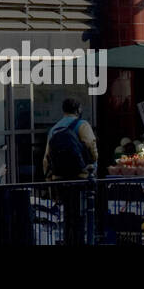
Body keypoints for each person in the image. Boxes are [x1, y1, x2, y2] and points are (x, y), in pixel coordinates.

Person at [44, 98, 97, 245]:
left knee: (67, 216)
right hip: (79, 178)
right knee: (80, 216)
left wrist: (50, 183)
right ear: (78, 110)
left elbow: (46, 159)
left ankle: (68, 241)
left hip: (60, 179)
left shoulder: (55, 129)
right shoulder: (82, 125)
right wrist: (91, 164)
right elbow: (91, 148)